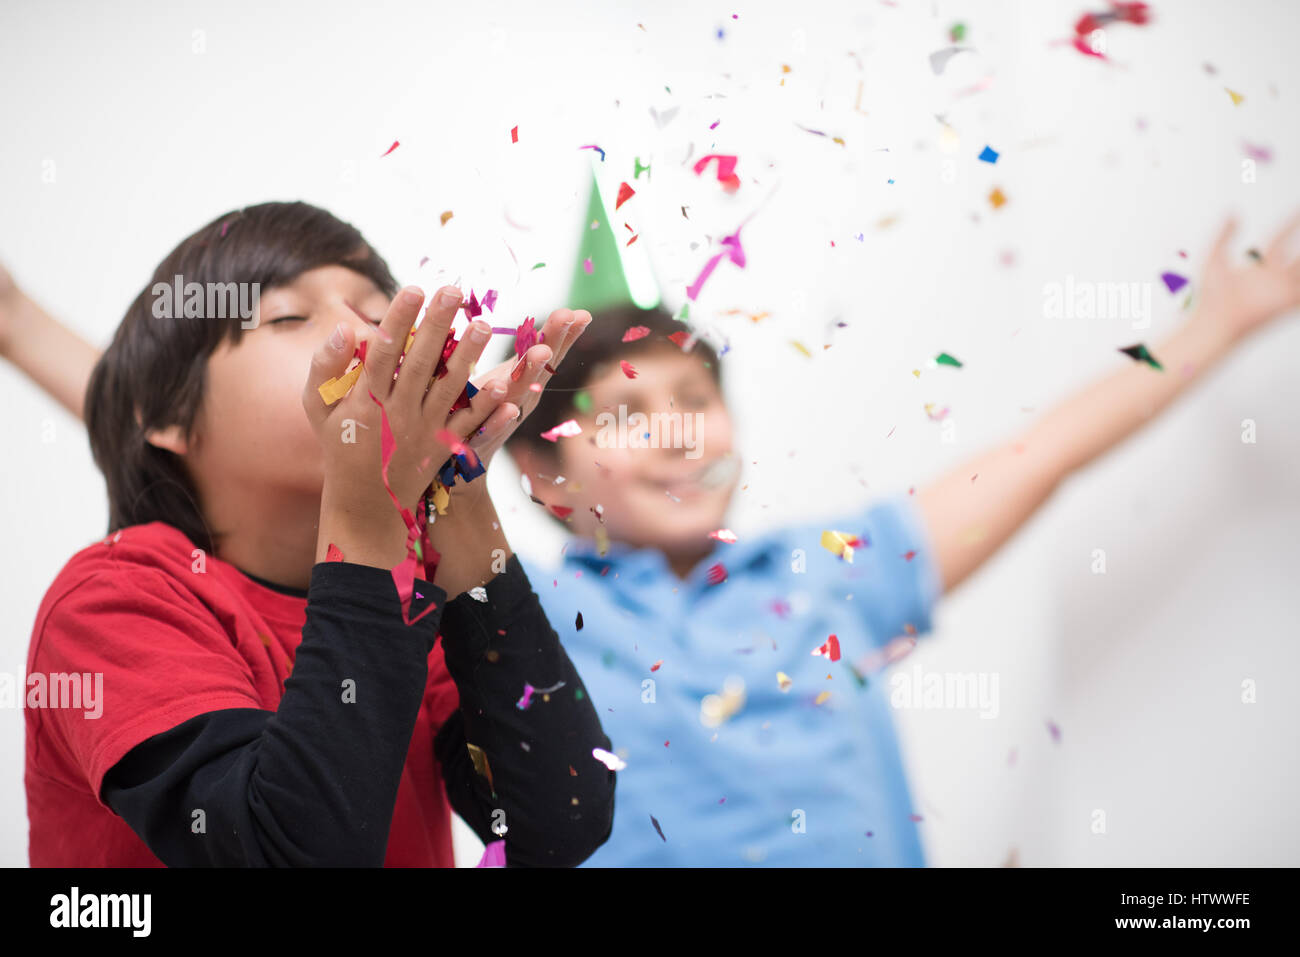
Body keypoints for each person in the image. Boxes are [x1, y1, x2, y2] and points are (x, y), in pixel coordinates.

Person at [5, 211, 1299, 865]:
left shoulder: (823, 580)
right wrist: (29, 332)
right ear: (544, 471)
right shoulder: (500, 602)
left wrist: (1210, 328)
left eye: (696, 402)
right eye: (628, 416)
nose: (678, 434)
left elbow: (1040, 453)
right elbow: (219, 461)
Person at [7, 200, 614, 867]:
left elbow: (560, 824)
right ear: (164, 413)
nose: (364, 333)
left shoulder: (412, 593)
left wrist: (458, 493)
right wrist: (373, 508)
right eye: (289, 317)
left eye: (378, 312)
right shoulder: (112, 599)